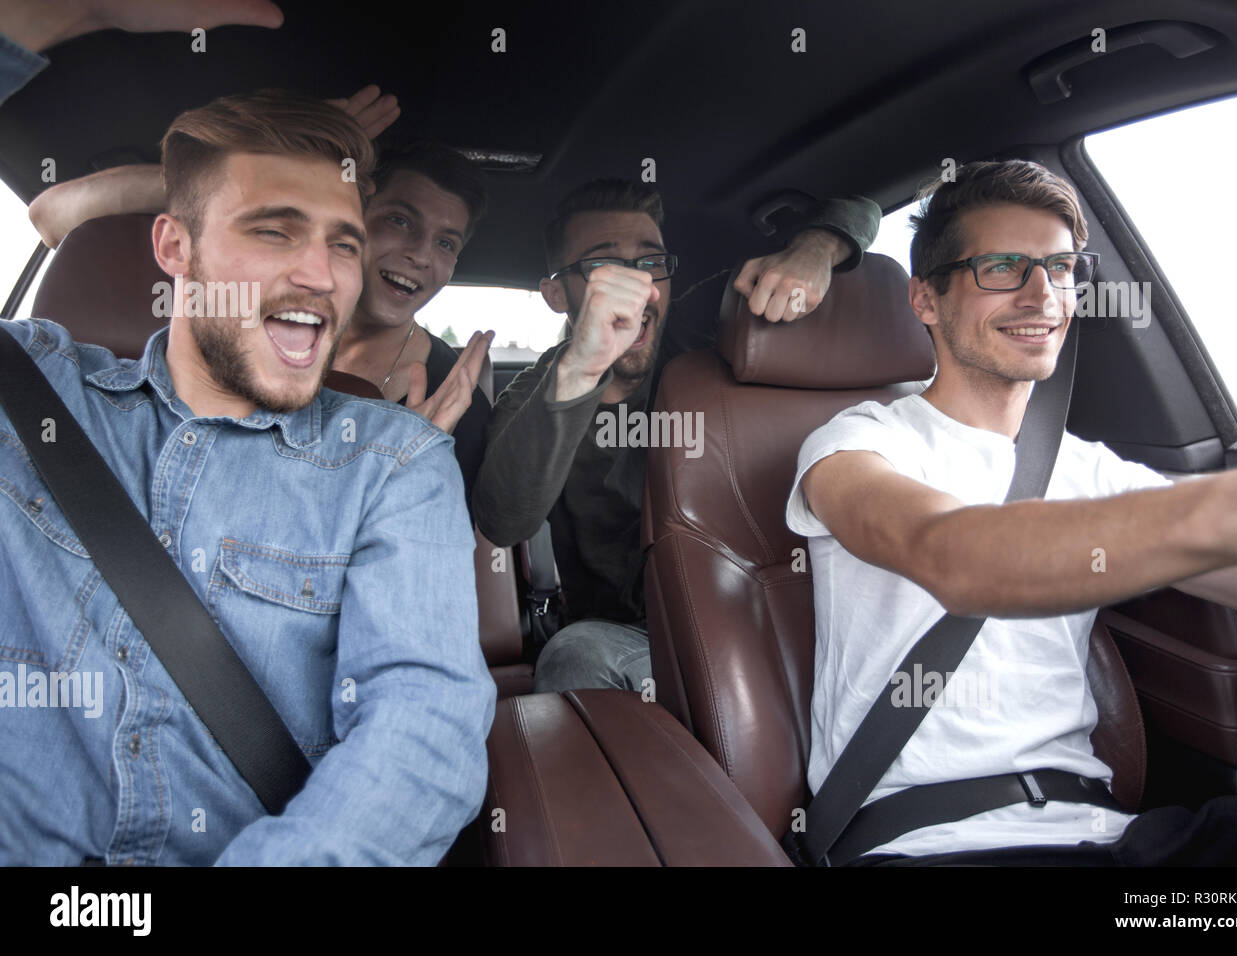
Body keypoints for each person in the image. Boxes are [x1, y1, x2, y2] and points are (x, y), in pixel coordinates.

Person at [0, 9, 495, 864]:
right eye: (273, 229)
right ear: (174, 246)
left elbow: (424, 725)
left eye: (344, 240)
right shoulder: (30, 392)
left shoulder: (392, 463)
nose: (321, 272)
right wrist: (75, 12)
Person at [785, 158, 1237, 865]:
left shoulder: (1091, 469)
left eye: (1060, 269)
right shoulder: (859, 443)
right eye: (1002, 267)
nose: (1041, 295)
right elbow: (956, 557)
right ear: (926, 299)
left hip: (1116, 836)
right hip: (936, 844)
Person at [473, 177, 881, 694]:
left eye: (651, 264)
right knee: (574, 656)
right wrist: (584, 365)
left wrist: (815, 248)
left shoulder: (692, 331)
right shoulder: (536, 393)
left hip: (748, 619)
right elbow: (504, 521)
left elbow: (859, 205)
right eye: (604, 266)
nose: (638, 288)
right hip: (623, 637)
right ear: (557, 293)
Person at [27, 95, 495, 504]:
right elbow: (50, 215)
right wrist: (250, 172)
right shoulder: (213, 310)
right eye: (400, 221)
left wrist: (408, 473)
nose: (419, 255)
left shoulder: (454, 401)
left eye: (447, 243)